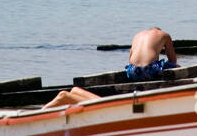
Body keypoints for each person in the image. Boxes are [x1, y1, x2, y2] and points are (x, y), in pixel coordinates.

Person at [43, 28, 178, 107]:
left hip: (132, 71)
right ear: (158, 30)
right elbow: (172, 60)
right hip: (149, 70)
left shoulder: (137, 35)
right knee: (175, 66)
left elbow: (130, 58)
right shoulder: (164, 35)